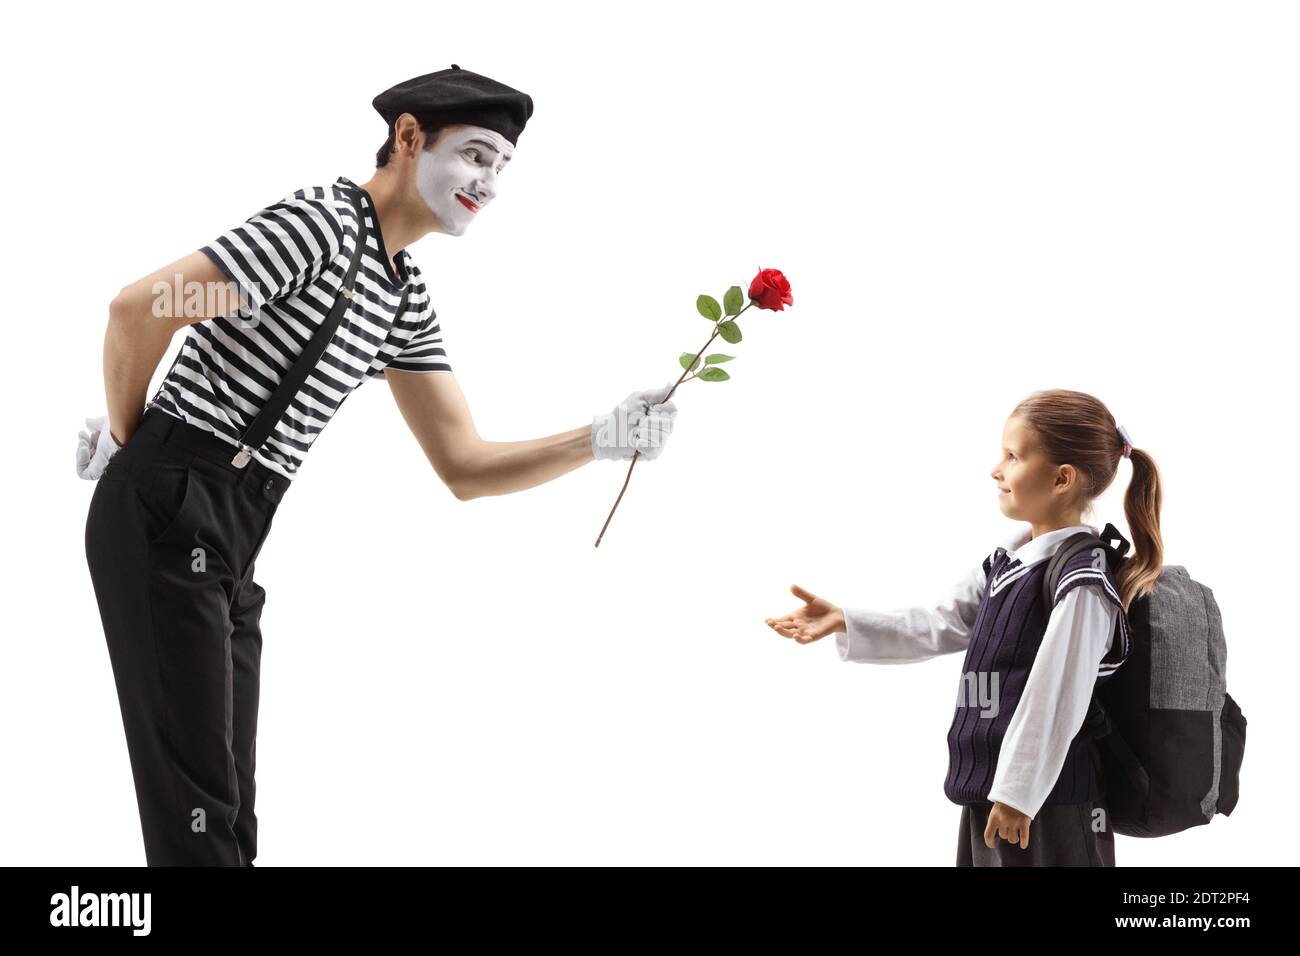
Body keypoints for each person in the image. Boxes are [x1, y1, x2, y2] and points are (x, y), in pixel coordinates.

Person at [78, 65, 679, 866]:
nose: (489, 183)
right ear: (407, 138)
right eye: (474, 155)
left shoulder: (400, 297)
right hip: (173, 497)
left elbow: (463, 464)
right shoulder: (321, 229)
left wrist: (602, 439)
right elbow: (143, 308)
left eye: (501, 167)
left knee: (226, 812)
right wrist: (129, 442)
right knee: (195, 814)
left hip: (235, 526)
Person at [764, 388, 1165, 866]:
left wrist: (1019, 794)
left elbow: (1056, 694)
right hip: (990, 790)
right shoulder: (1009, 562)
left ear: (1062, 478)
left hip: (1046, 801)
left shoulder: (1081, 583)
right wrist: (847, 620)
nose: (997, 469)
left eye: (1013, 456)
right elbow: (941, 622)